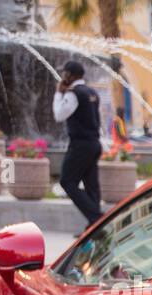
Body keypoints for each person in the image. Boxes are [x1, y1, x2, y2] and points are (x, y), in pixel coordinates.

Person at [53, 61, 103, 226]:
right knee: (91, 186)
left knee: (67, 182)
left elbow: (59, 115)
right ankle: (95, 228)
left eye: (64, 73)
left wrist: (58, 93)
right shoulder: (92, 93)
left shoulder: (73, 93)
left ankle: (97, 217)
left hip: (80, 145)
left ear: (70, 75)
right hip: (94, 144)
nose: (62, 76)